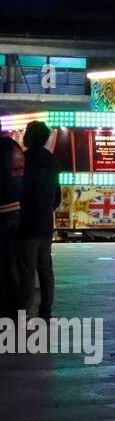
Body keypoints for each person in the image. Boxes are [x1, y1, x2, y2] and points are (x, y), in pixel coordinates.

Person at [15, 121, 60, 321]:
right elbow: (56, 198)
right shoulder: (51, 161)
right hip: (45, 223)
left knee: (27, 270)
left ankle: (23, 313)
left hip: (27, 223)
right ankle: (46, 310)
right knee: (45, 268)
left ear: (30, 137)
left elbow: (19, 192)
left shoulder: (24, 160)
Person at [1, 135, 22, 320]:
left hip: (2, 212)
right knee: (11, 263)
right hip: (16, 210)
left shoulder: (2, 150)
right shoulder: (16, 149)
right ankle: (15, 311)